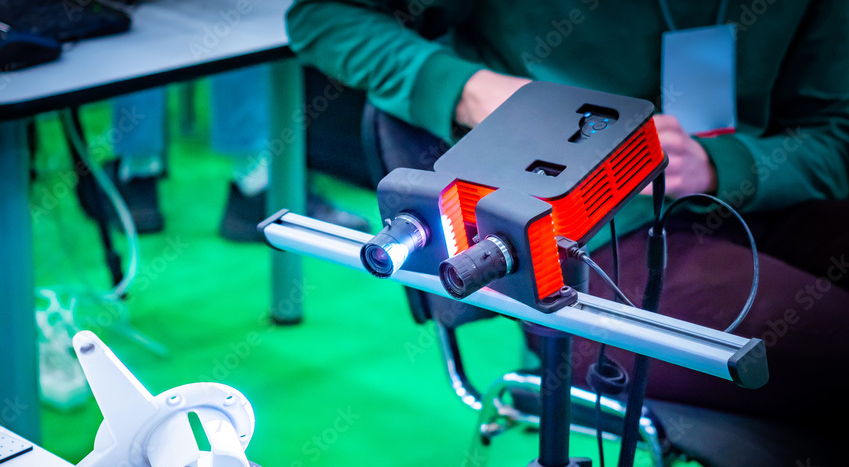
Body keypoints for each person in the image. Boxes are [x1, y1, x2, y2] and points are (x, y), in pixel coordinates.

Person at [286, 0, 849, 432]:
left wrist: (722, 165)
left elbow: (834, 132)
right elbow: (323, 16)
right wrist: (471, 91)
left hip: (753, 187)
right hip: (583, 242)